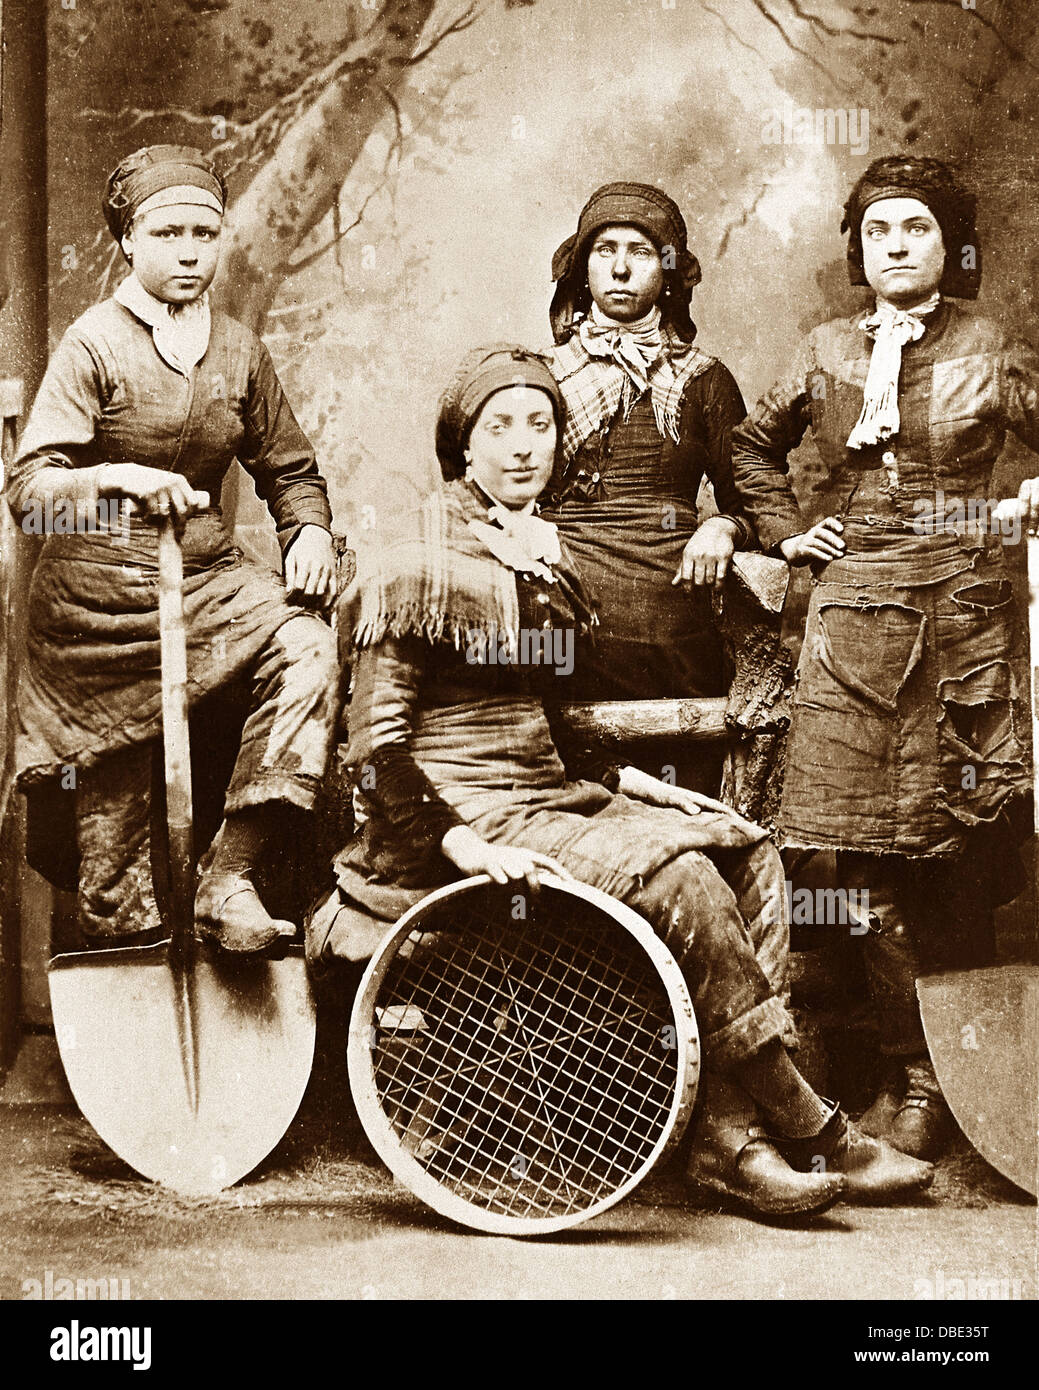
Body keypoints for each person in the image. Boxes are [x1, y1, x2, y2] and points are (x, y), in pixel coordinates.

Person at [324, 341, 932, 1218]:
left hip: (543, 791)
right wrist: (458, 842)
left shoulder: (539, 548)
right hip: (460, 811)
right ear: (462, 447)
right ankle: (811, 1127)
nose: (524, 445)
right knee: (682, 879)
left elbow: (551, 724)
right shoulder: (413, 559)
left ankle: (731, 1140)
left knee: (742, 847)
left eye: (540, 424)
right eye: (500, 428)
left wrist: (640, 786)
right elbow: (375, 749)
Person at [732, 154, 1039, 1160]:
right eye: (876, 232)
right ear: (856, 250)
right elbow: (745, 448)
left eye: (914, 229)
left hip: (963, 608)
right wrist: (784, 533)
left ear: (950, 247)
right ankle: (909, 1073)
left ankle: (957, 1086)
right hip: (855, 608)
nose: (894, 247)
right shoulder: (821, 350)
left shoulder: (993, 348)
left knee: (956, 852)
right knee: (853, 861)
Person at [6, 144, 340, 955]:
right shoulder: (94, 345)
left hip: (207, 582)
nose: (190, 251)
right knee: (113, 862)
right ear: (128, 240)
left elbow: (290, 467)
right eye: (166, 233)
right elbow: (30, 491)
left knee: (308, 649)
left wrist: (311, 533)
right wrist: (118, 477)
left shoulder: (238, 349)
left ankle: (231, 875)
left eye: (205, 232)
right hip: (95, 610)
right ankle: (127, 968)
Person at [539, 182, 755, 793]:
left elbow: (750, 495)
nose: (622, 267)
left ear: (669, 271)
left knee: (674, 640)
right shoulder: (538, 376)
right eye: (604, 249)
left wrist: (722, 525)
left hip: (669, 587)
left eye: (641, 250)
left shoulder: (705, 378)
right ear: (582, 268)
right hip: (562, 576)